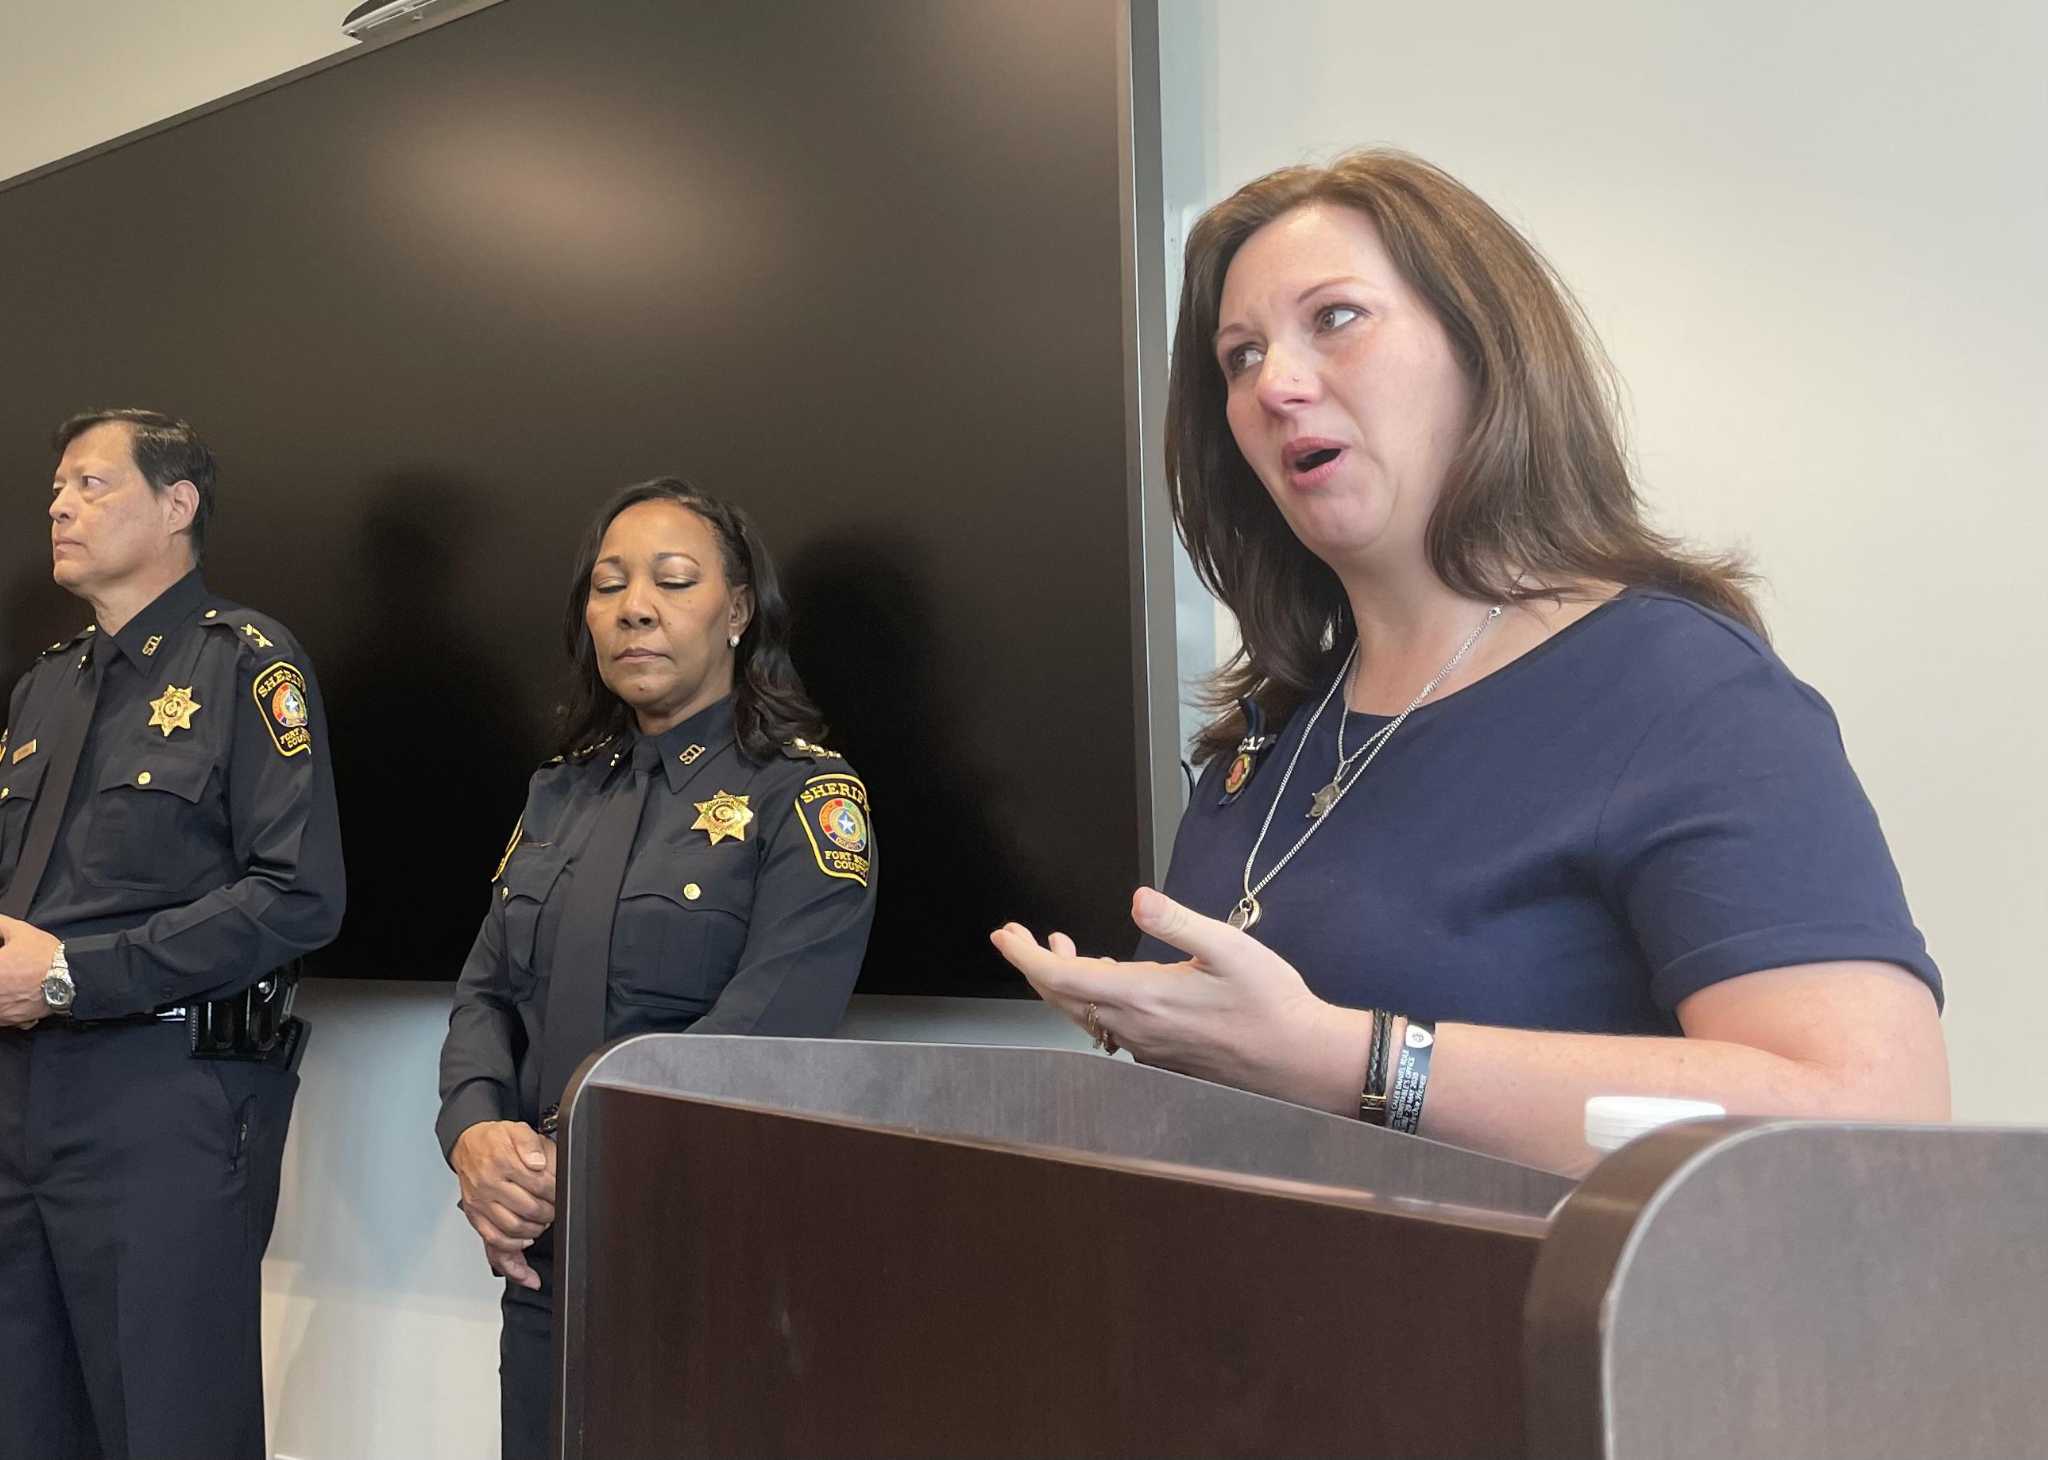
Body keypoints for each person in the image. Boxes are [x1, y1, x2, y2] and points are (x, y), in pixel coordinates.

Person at [992, 151, 1948, 1176]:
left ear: (1482, 347)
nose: (1276, 382)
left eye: (1335, 318)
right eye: (1239, 355)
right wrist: (1147, 1021)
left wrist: (1351, 1059)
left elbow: (1872, 1118)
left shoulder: (1684, 693)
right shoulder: (1267, 737)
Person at [436, 477, 877, 1460]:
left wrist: (571, 1150)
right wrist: (472, 1134)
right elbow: (486, 992)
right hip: (548, 1260)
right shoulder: (559, 793)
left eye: (672, 580)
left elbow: (767, 1028)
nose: (633, 604)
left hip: (710, 1253)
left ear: (735, 611)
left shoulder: (805, 797)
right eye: (608, 584)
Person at [0, 408, 345, 1459]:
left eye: (91, 483)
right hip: (18, 1106)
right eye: (56, 485)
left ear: (177, 505)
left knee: (169, 1424)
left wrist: (71, 974)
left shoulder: (247, 663)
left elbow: (298, 895)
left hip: (162, 1099)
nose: (59, 503)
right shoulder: (43, 685)